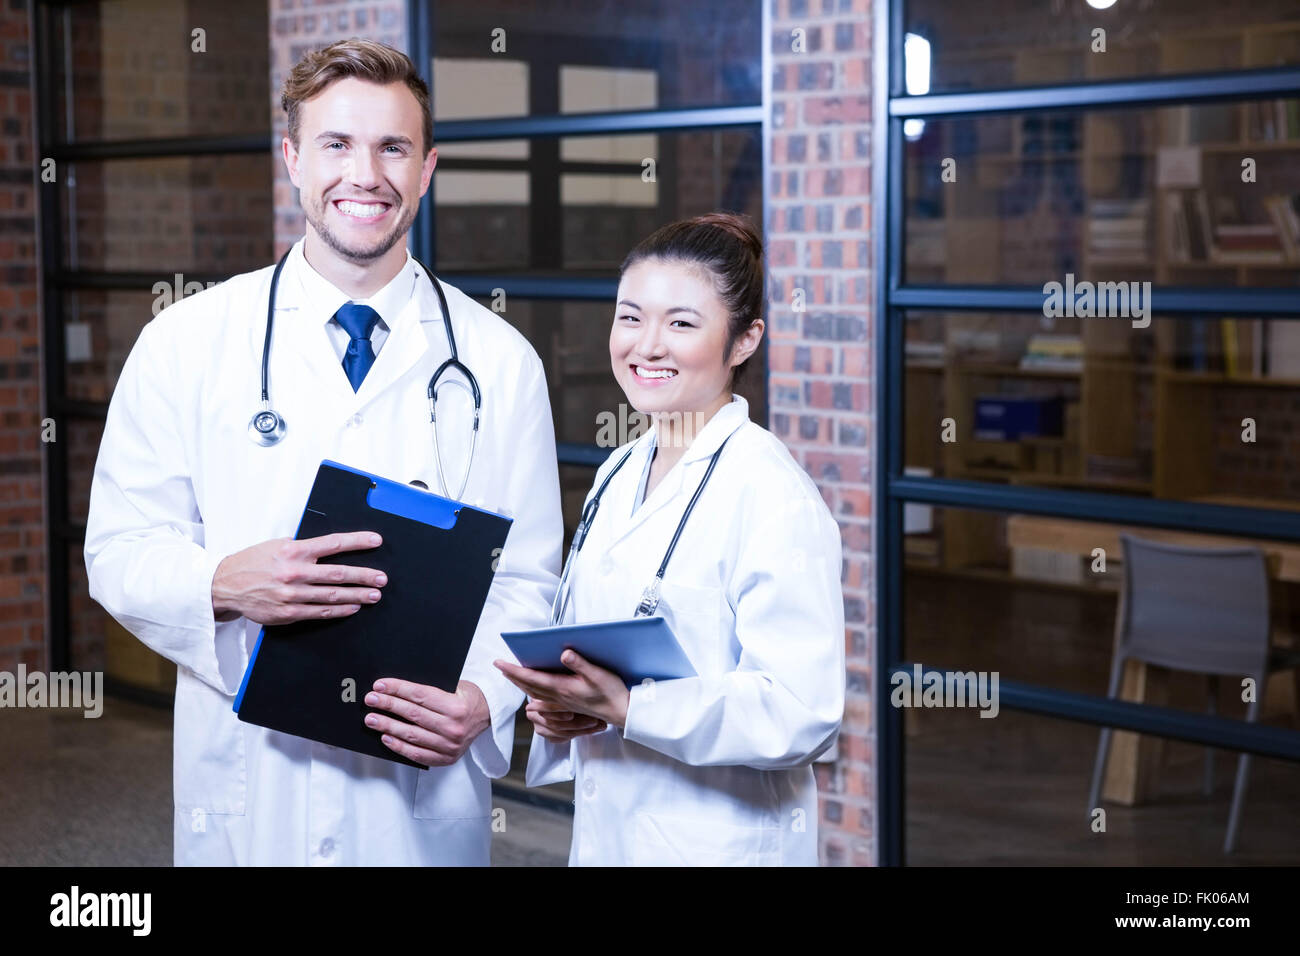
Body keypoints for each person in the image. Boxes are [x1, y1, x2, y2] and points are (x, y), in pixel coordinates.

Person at [83, 39, 562, 866]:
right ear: (293, 160)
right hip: (249, 789)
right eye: (337, 144)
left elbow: (526, 579)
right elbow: (118, 551)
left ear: (427, 168)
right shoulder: (187, 342)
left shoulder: (500, 361)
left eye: (393, 148)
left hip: (420, 803)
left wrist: (484, 699)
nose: (364, 174)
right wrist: (222, 584)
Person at [494, 213, 845, 866]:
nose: (646, 345)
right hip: (611, 836)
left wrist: (631, 706)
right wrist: (570, 709)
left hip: (723, 843)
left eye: (681, 323)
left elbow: (801, 710)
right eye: (631, 317)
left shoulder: (771, 494)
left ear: (743, 341)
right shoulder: (619, 470)